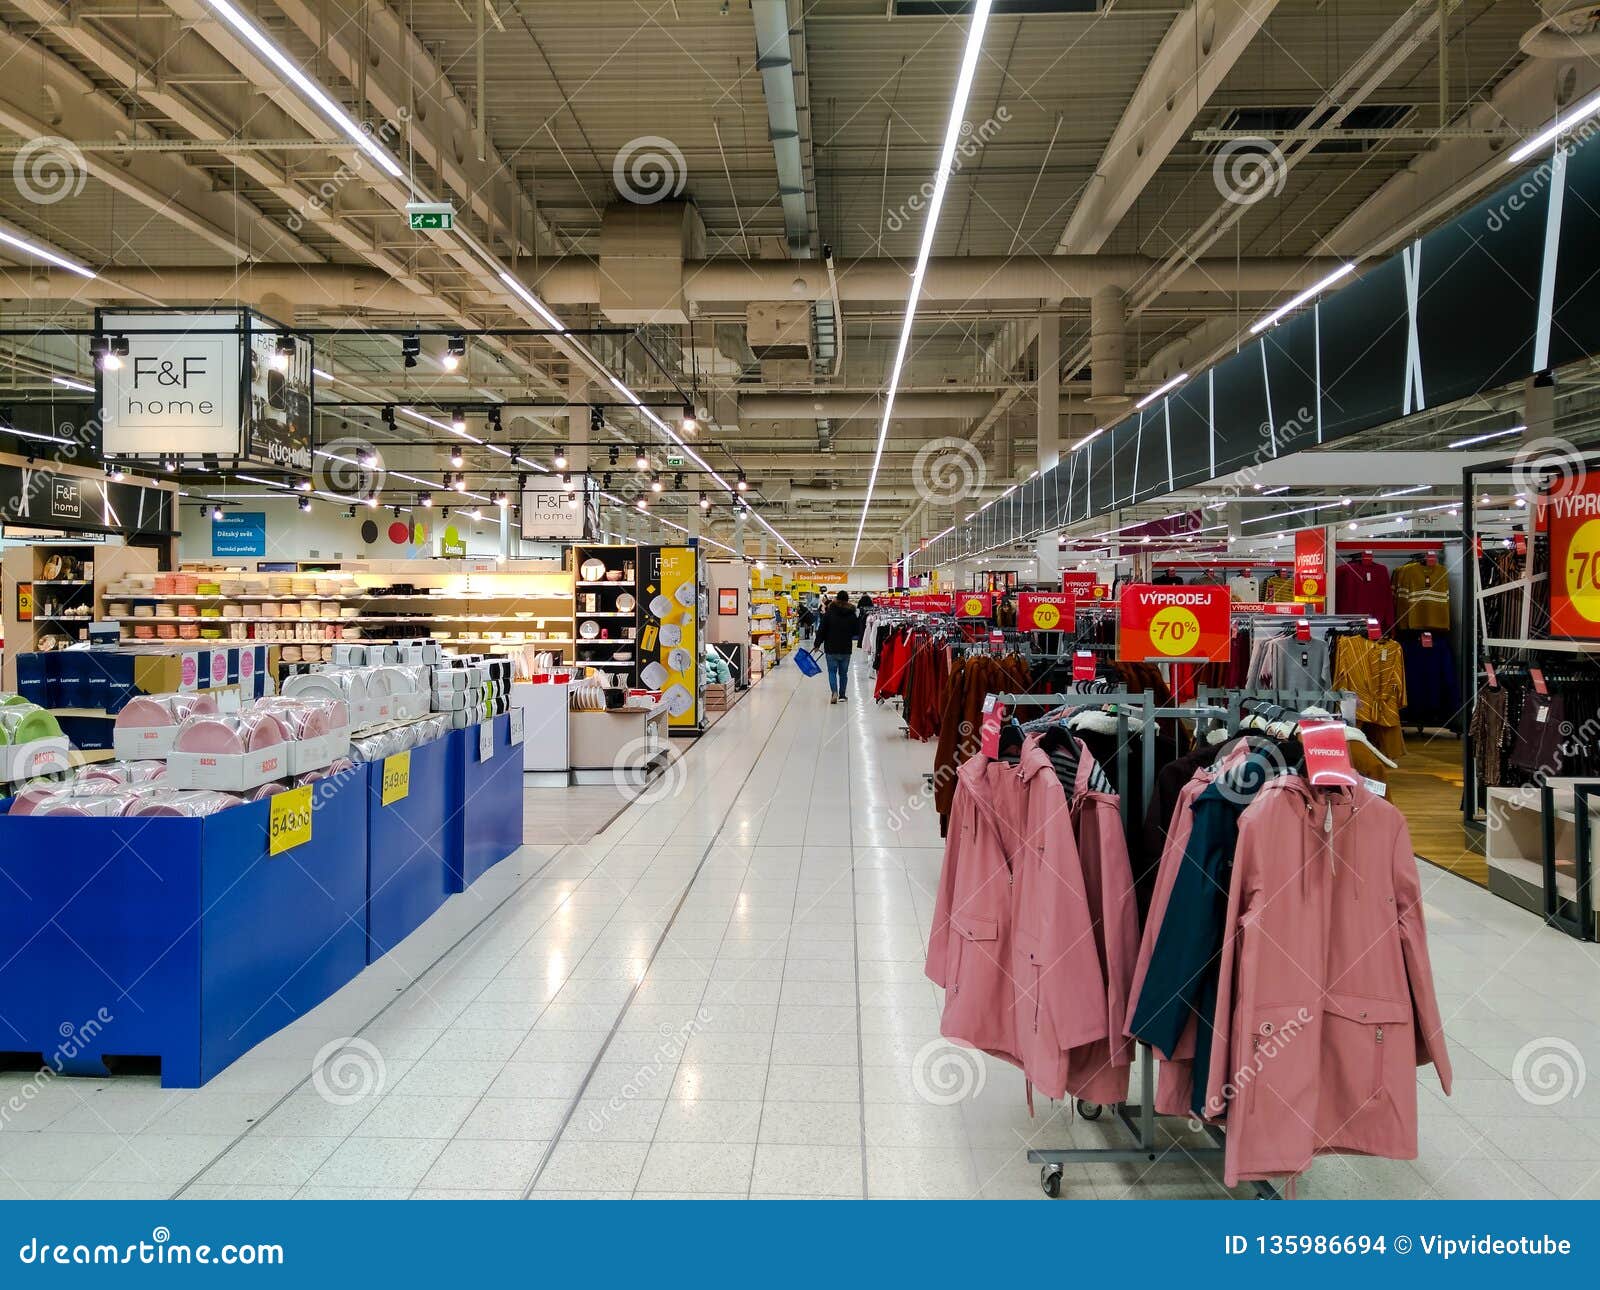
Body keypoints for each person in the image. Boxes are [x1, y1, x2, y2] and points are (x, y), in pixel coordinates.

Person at [817, 590, 859, 705]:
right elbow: (856, 631)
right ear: (847, 600)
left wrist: (817, 644)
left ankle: (834, 692)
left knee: (832, 672)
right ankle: (842, 695)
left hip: (831, 647)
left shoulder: (829, 613)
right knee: (843, 673)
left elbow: (822, 630)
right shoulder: (851, 614)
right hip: (846, 648)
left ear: (836, 599)